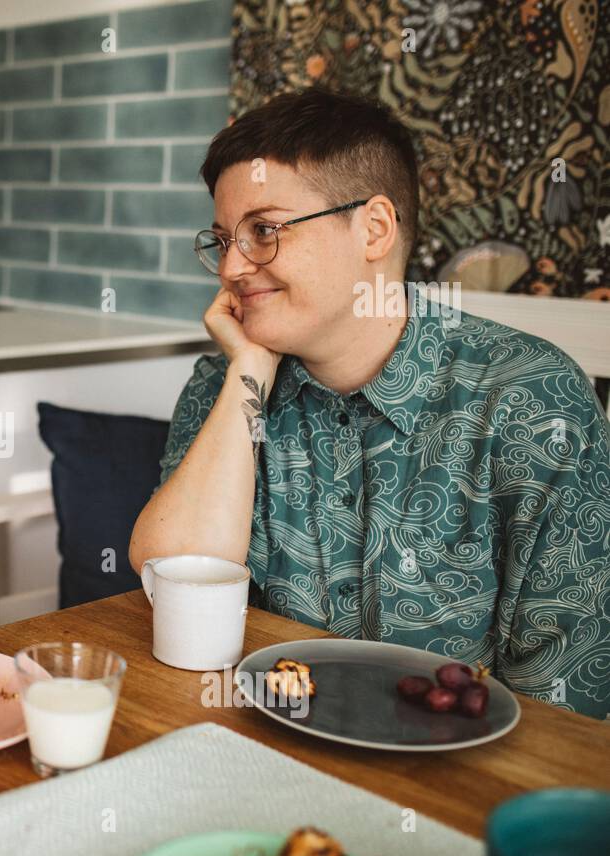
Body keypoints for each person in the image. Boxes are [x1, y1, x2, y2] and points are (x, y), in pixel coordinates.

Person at [129, 88, 610, 719]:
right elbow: (174, 579)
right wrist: (249, 365)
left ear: (374, 229)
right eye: (222, 239)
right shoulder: (227, 381)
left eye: (264, 231)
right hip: (256, 742)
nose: (231, 269)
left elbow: (569, 701)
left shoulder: (532, 401)